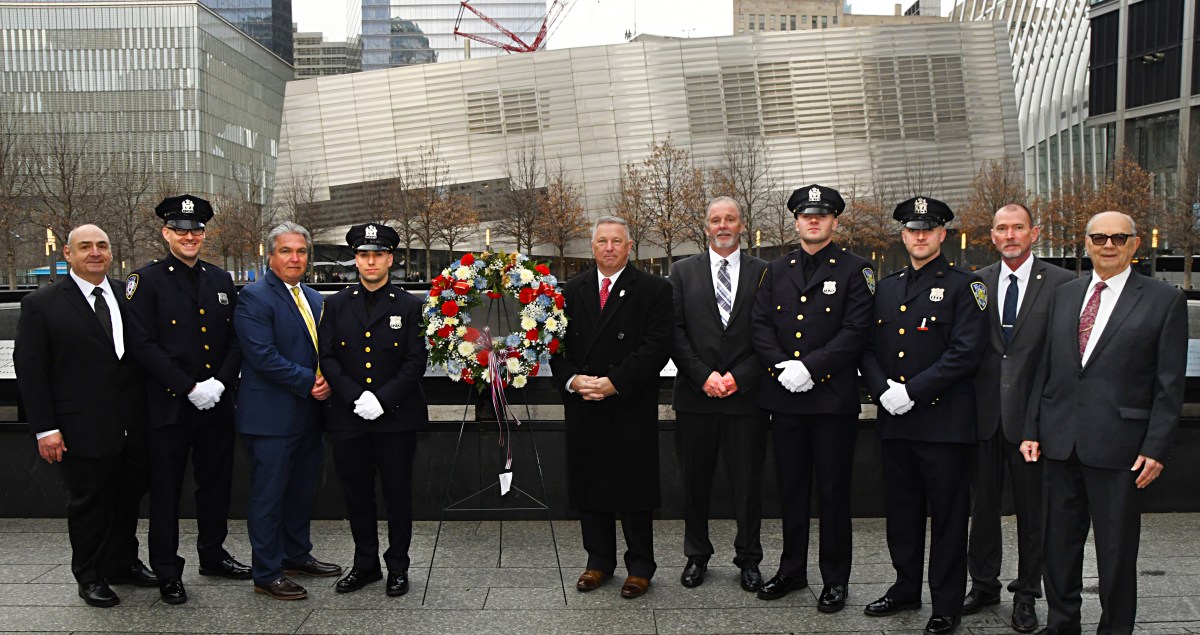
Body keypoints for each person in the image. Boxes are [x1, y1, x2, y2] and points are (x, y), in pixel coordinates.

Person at [1022, 211, 1187, 635]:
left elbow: (1169, 383)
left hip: (1123, 449)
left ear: (1135, 245)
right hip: (1059, 443)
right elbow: (1046, 367)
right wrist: (1031, 429)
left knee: (1115, 553)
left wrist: (1156, 447)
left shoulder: (1163, 300)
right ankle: (1062, 625)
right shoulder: (1065, 293)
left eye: (1118, 237)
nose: (1107, 245)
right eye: (1098, 237)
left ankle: (1115, 629)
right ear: (1087, 243)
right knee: (1057, 548)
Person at [860, 197, 988, 635]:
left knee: (949, 518)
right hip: (896, 422)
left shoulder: (963, 286)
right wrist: (882, 392)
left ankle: (946, 603)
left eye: (928, 229)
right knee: (902, 512)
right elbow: (869, 349)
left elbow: (966, 353)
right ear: (903, 235)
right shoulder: (888, 286)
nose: (919, 236)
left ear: (942, 235)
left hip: (944, 425)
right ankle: (905, 588)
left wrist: (912, 391)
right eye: (912, 230)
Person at [14, 224, 156, 608]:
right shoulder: (42, 304)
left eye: (102, 246)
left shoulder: (127, 298)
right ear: (68, 254)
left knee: (127, 498)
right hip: (79, 428)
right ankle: (90, 575)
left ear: (111, 253)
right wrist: (45, 429)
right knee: (90, 504)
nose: (95, 253)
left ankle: (124, 562)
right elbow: (31, 371)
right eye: (86, 247)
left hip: (131, 425)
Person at [750, 184, 874, 611]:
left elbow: (856, 332)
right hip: (785, 398)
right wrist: (784, 368)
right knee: (792, 490)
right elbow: (760, 326)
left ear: (834, 222)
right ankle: (791, 570)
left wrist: (811, 368)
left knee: (834, 492)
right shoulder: (776, 269)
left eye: (822, 215)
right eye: (806, 215)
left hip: (831, 402)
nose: (814, 221)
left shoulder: (856, 270)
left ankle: (835, 579)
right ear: (797, 221)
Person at [124, 195, 251, 606]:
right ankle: (167, 570)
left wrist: (220, 383)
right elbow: (142, 344)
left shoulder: (219, 280)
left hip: (215, 403)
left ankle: (213, 555)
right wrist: (188, 387)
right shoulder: (146, 281)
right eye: (181, 230)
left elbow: (235, 339)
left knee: (215, 485)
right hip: (170, 406)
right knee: (166, 492)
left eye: (196, 230)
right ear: (166, 233)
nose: (190, 236)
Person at [963, 204, 1073, 632]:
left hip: (1034, 425)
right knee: (983, 508)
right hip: (984, 419)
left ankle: (1027, 593)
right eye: (1002, 229)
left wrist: (1043, 422)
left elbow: (1063, 359)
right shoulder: (977, 283)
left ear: (1034, 232)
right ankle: (983, 584)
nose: (1010, 235)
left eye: (1018, 228)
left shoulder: (1063, 285)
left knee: (1034, 515)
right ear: (991, 235)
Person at [551, 216, 673, 600]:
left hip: (628, 402)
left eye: (616, 241)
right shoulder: (570, 291)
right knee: (591, 485)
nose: (608, 247)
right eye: (602, 241)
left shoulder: (653, 290)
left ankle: (640, 567)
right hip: (584, 403)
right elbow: (554, 348)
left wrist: (614, 382)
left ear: (629, 246)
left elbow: (657, 346)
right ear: (592, 247)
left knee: (634, 487)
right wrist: (573, 380)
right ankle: (598, 561)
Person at [318, 223, 428, 597]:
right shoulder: (334, 304)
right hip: (349, 418)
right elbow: (328, 358)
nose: (370, 261)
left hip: (396, 417)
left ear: (390, 259)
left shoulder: (411, 306)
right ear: (355, 259)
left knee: (397, 494)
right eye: (364, 254)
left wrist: (382, 400)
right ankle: (365, 564)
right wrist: (354, 398)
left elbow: (415, 362)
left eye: (378, 254)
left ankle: (398, 566)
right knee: (356, 493)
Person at [234, 222, 342, 600]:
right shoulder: (254, 297)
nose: (294, 258)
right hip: (270, 417)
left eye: (301, 252)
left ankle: (297, 555)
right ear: (270, 255)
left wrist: (329, 377)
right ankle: (266, 572)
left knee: (301, 491)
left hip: (309, 415)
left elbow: (325, 349)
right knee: (269, 498)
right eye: (286, 251)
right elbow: (260, 355)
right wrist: (309, 380)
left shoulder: (314, 298)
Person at [669, 197, 769, 592]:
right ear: (706, 226)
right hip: (696, 396)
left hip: (746, 398)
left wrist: (739, 377)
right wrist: (703, 375)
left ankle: (749, 557)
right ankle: (697, 555)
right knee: (695, 482)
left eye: (730, 219)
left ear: (741, 224)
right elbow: (673, 331)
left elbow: (771, 334)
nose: (723, 225)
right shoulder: (680, 272)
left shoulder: (765, 272)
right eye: (716, 219)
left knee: (748, 484)